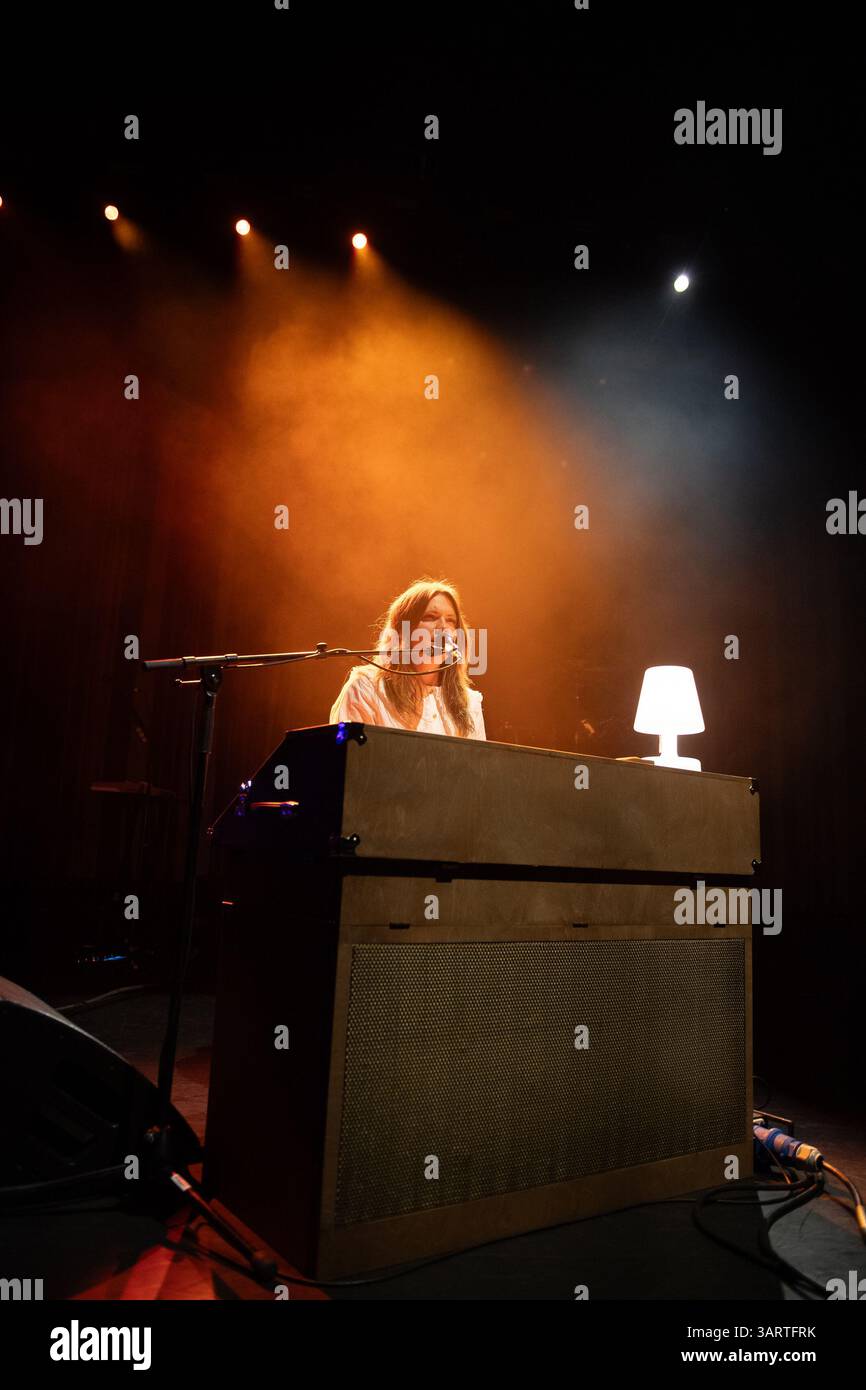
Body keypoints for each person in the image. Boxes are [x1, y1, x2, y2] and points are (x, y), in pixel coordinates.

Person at [329, 578, 486, 739]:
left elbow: (477, 763)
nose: (443, 627)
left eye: (451, 620)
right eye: (431, 617)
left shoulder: (470, 703)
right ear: (402, 630)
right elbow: (349, 757)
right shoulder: (367, 688)